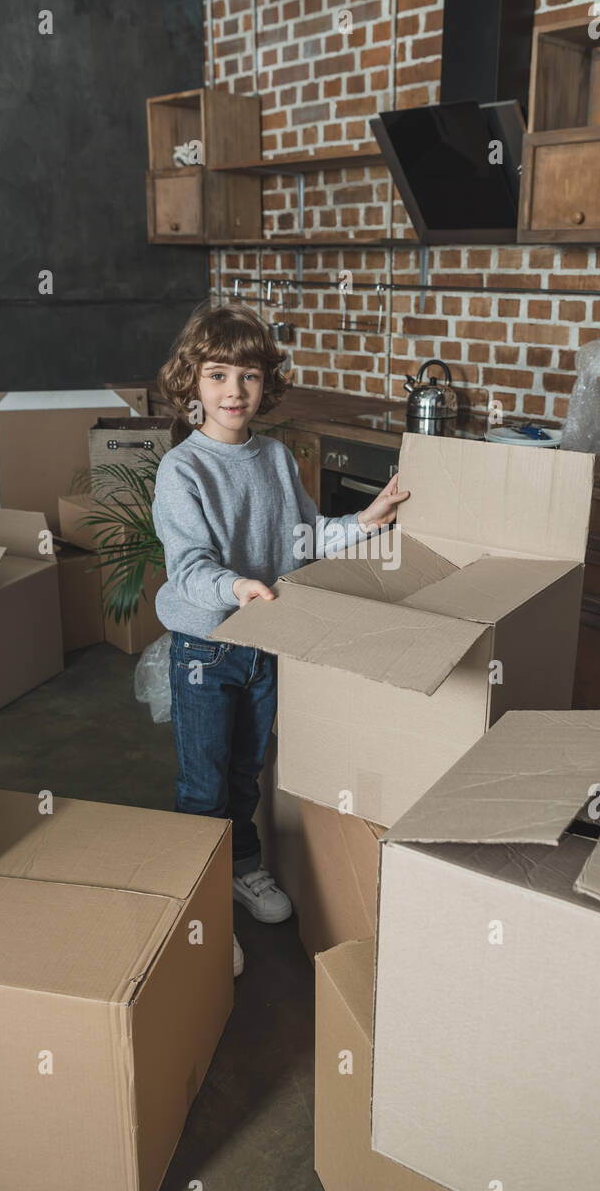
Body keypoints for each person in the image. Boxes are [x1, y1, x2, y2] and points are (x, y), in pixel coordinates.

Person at [153, 301, 408, 976]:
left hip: (267, 644)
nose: (234, 391)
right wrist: (236, 587)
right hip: (207, 648)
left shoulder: (272, 457)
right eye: (216, 375)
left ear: (267, 384)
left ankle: (241, 869)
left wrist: (366, 520)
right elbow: (190, 567)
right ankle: (199, 909)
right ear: (191, 385)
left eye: (249, 376)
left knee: (245, 773)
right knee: (203, 785)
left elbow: (308, 536)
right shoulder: (182, 471)